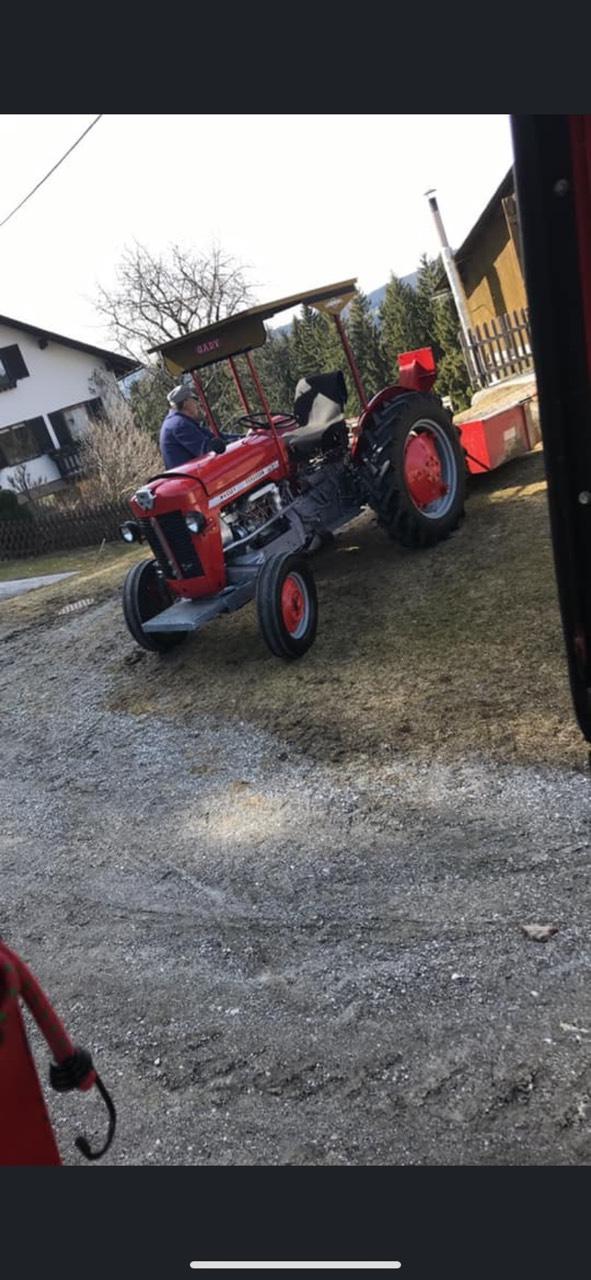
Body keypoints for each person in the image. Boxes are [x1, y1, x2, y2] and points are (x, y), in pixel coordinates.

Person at [159, 384, 228, 468]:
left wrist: (241, 438)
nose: (197, 404)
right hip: (190, 478)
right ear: (185, 403)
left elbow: (214, 436)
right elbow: (207, 449)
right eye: (194, 400)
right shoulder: (179, 425)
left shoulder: (179, 421)